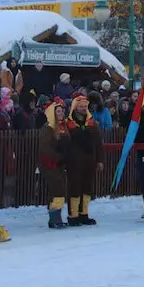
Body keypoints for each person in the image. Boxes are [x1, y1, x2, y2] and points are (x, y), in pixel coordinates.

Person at [65, 95, 103, 226]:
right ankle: (73, 215)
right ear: (75, 108)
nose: (83, 109)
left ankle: (84, 214)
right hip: (74, 161)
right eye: (81, 106)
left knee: (88, 187)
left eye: (85, 106)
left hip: (90, 160)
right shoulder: (68, 124)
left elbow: (98, 143)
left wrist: (99, 160)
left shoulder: (93, 124)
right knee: (74, 187)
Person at [39, 99, 71, 229]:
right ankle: (54, 217)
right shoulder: (48, 128)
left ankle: (56, 216)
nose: (61, 113)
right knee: (57, 188)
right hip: (50, 163)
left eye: (62, 111)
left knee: (61, 187)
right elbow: (45, 148)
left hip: (60, 162)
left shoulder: (63, 126)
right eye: (58, 111)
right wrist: (58, 157)